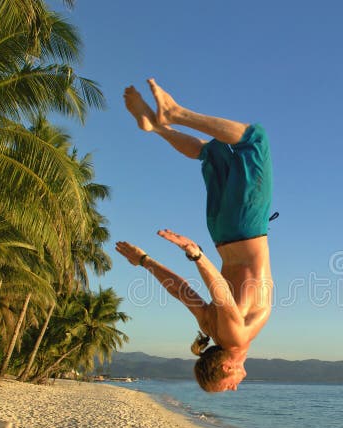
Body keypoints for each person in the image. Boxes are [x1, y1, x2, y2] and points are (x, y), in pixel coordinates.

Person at [116, 78, 273, 393]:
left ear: (225, 367)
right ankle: (157, 127)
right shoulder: (209, 329)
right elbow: (180, 290)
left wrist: (196, 255)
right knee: (209, 152)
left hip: (244, 228)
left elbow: (223, 297)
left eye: (227, 386)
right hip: (220, 229)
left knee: (254, 141)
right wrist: (145, 261)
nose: (234, 388)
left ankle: (175, 113)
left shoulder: (234, 337)